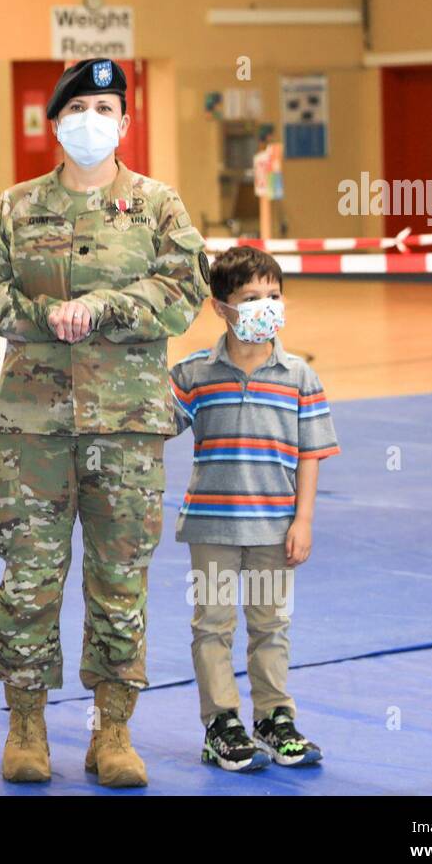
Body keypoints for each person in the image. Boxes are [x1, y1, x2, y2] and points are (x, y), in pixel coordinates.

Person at [0, 58, 209, 787]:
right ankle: (26, 725)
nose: (93, 120)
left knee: (119, 576)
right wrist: (43, 317)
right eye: (81, 107)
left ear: (125, 123)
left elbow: (182, 290)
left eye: (108, 107)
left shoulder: (160, 206)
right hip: (33, 426)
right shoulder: (17, 206)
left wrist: (104, 308)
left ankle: (113, 729)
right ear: (57, 121)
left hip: (125, 425)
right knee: (29, 576)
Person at [169, 246, 337, 771]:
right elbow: (154, 428)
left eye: (273, 296)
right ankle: (221, 723)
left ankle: (274, 718)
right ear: (221, 307)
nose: (266, 306)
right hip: (212, 528)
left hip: (273, 529)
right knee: (212, 625)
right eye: (250, 298)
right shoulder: (195, 374)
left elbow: (311, 453)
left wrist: (303, 519)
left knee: (270, 625)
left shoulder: (299, 376)